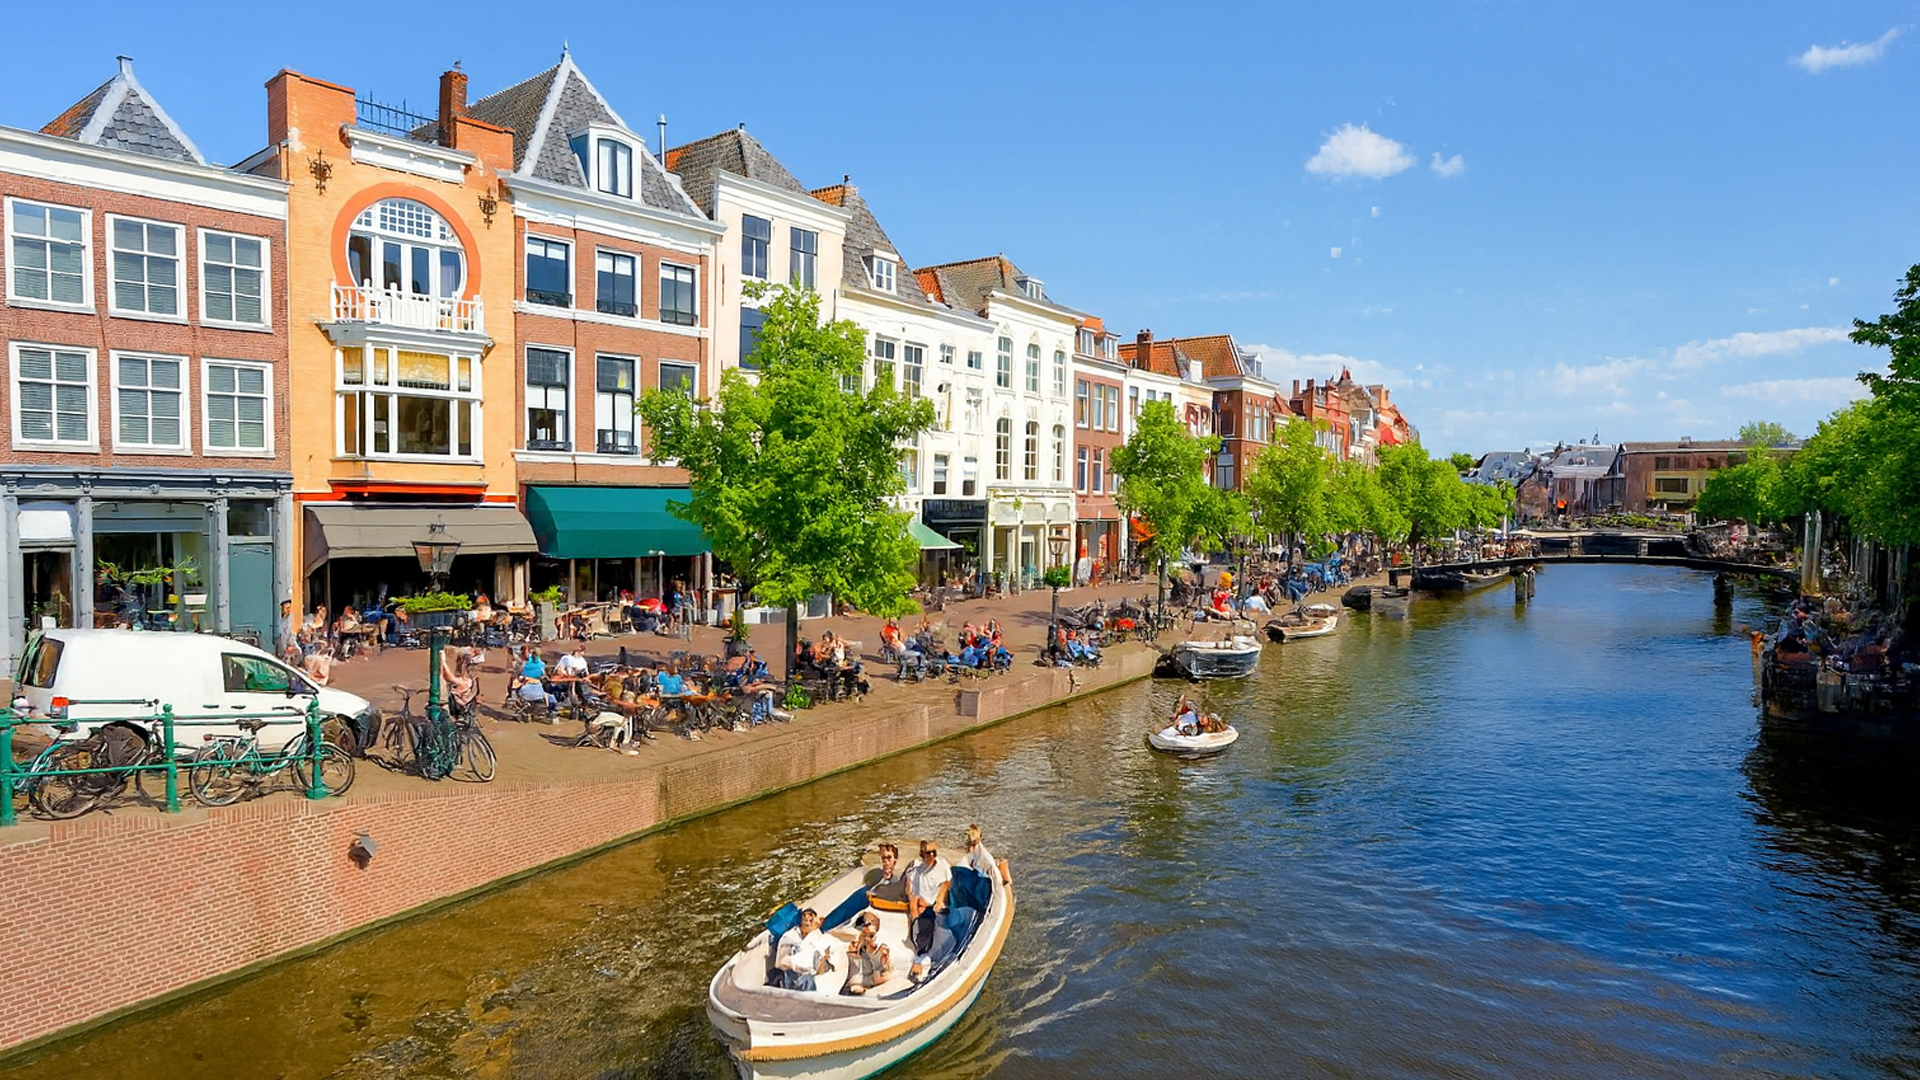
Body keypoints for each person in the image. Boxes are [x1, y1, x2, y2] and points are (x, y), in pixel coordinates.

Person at [904, 839, 952, 981]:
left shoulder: (942, 864)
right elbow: (912, 893)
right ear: (922, 854)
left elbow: (946, 883)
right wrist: (917, 904)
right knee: (924, 929)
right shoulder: (917, 872)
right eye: (927, 853)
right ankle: (919, 963)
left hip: (939, 908)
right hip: (926, 910)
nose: (931, 855)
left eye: (933, 852)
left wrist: (940, 898)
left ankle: (923, 962)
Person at [774, 908, 833, 992]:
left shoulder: (818, 937)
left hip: (808, 979)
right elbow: (782, 962)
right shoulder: (789, 937)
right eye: (805, 920)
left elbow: (822, 962)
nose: (807, 923)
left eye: (811, 920)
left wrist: (824, 959)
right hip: (789, 976)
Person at [842, 912, 892, 996]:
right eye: (872, 922)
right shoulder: (851, 938)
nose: (876, 925)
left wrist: (883, 961)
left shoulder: (874, 949)